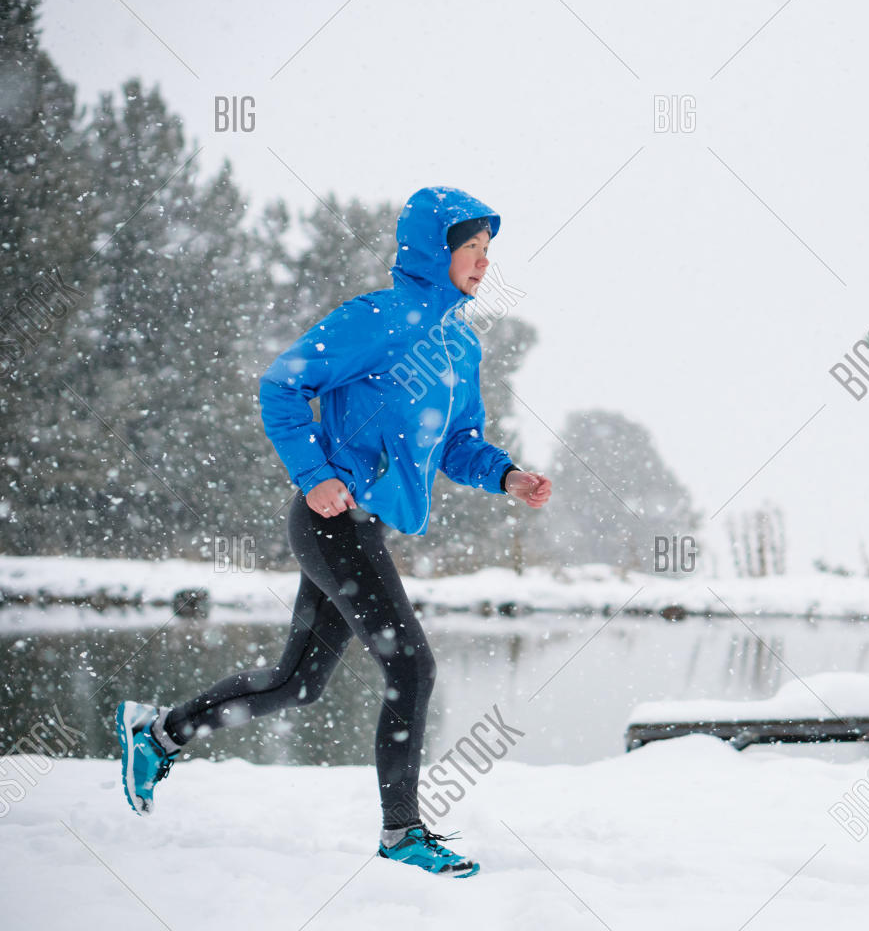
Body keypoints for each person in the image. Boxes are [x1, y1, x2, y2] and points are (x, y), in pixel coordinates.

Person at [114, 185, 551, 878]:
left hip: (364, 528)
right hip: (330, 522)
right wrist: (313, 472)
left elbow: (460, 442)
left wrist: (506, 476)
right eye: (471, 247)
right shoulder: (376, 319)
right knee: (411, 666)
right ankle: (401, 832)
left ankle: (157, 736)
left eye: (488, 250)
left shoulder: (462, 344)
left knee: (298, 683)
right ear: (433, 250)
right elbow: (280, 386)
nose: (483, 261)